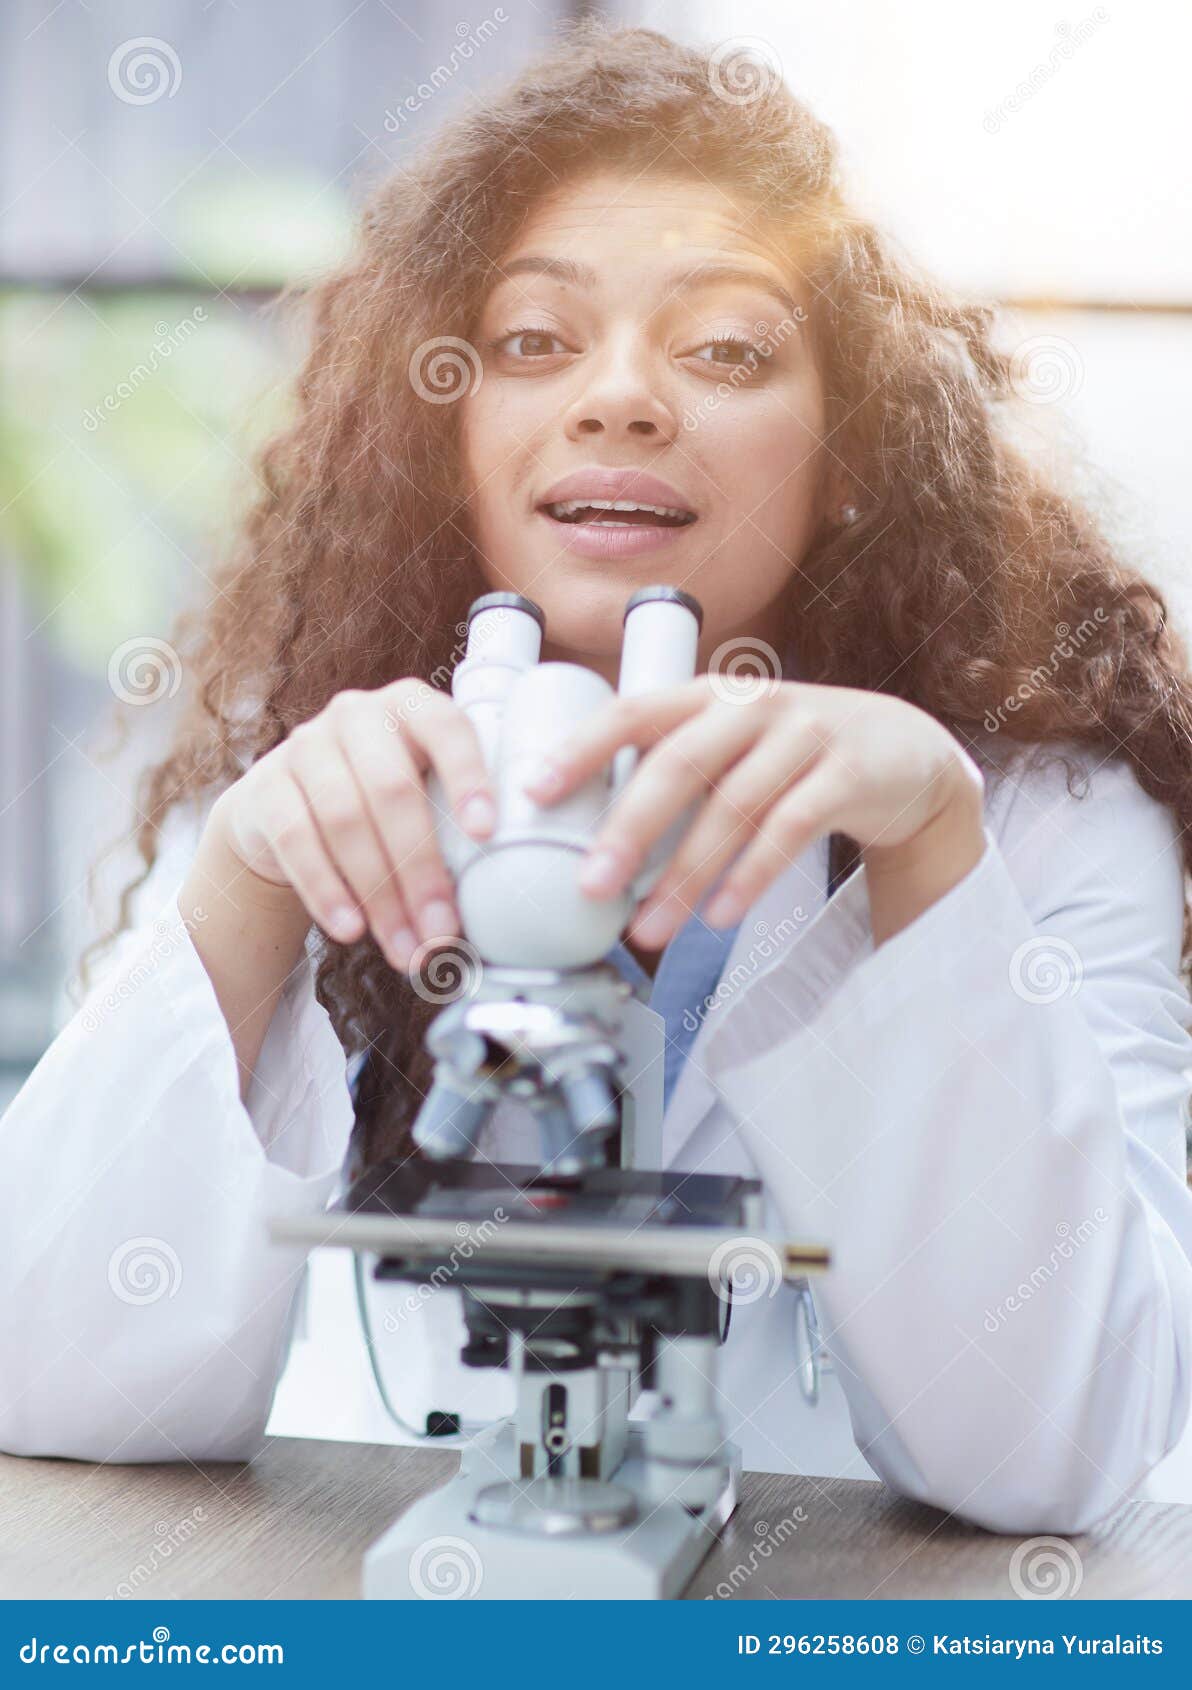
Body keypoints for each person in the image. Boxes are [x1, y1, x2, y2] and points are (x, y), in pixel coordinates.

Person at [3, 21, 1191, 1536]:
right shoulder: (319, 767)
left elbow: (1061, 1449)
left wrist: (932, 859)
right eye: (533, 342)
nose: (622, 398)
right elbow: (42, 1374)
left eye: (725, 350)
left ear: (850, 452)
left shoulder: (1042, 815)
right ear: (452, 435)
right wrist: (239, 884)